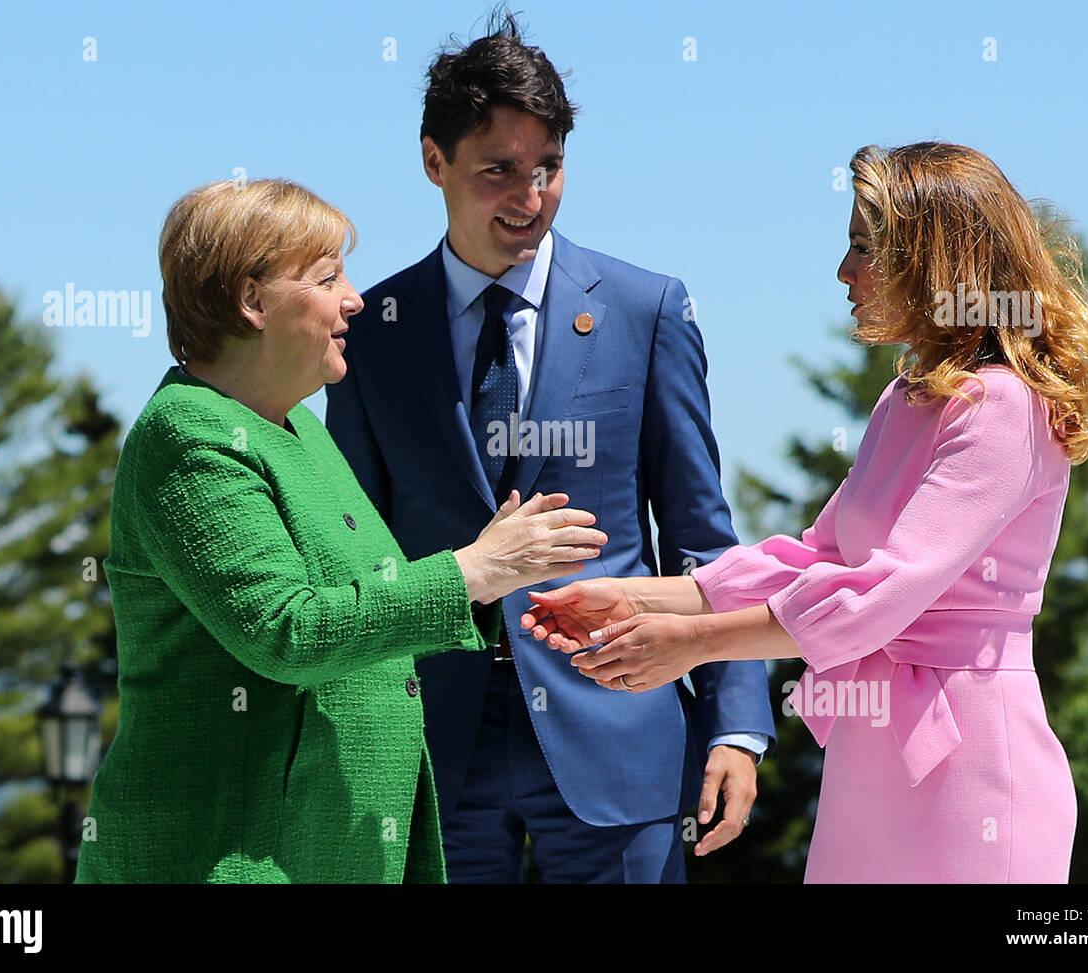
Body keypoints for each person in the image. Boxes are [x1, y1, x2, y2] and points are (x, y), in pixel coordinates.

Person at [524, 141, 1088, 883]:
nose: (845, 271)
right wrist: (633, 596)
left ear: (937, 262)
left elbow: (881, 592)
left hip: (971, 772)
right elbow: (814, 559)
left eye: (865, 247)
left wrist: (693, 643)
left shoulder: (1002, 405)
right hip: (872, 764)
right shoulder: (906, 400)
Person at [325, 11, 774, 883]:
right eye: (499, 170)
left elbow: (702, 537)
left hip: (621, 728)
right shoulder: (370, 332)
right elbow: (356, 546)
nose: (529, 198)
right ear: (433, 162)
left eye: (549, 169)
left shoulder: (649, 312)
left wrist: (736, 724)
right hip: (428, 744)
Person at [75, 178, 605, 884]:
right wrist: (474, 569)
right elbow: (286, 630)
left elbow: (367, 604)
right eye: (328, 278)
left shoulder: (298, 429)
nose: (354, 298)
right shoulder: (188, 436)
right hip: (229, 859)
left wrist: (503, 592)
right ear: (252, 301)